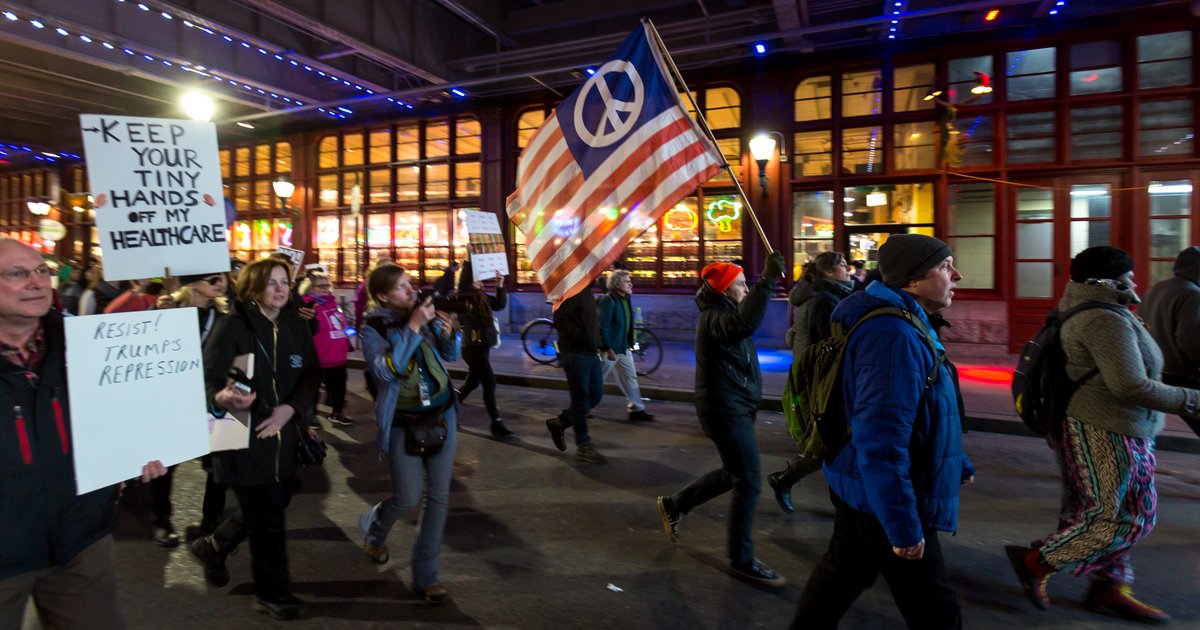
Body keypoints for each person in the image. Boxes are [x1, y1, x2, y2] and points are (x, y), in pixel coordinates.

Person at [1004, 246, 1199, 625]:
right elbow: (1130, 386)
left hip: (1122, 427)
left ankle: (1109, 587)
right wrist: (1193, 400)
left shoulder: (1104, 308)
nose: (1136, 282)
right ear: (1111, 280)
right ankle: (1036, 561)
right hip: (1104, 429)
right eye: (1129, 275)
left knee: (1113, 511)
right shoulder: (1102, 319)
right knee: (1125, 519)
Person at [793, 234, 974, 629]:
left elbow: (924, 408)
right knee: (937, 612)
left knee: (841, 577)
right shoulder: (893, 334)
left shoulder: (910, 322)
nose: (957, 275)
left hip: (868, 486)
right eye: (944, 267)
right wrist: (903, 525)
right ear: (913, 279)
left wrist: (957, 460)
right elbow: (881, 436)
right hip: (890, 492)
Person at [0, 238, 165, 629]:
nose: (37, 282)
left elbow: (124, 413)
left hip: (80, 540)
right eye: (18, 274)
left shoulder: (88, 344)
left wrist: (135, 453)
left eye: (41, 271)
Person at [190, 258, 320, 621]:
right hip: (240, 435)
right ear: (253, 288)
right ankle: (271, 593)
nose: (281, 289)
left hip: (283, 434)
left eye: (284, 282)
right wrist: (220, 398)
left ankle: (213, 545)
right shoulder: (232, 325)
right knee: (268, 518)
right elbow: (207, 381)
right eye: (271, 283)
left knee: (273, 503)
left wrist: (290, 410)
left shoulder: (295, 324)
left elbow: (311, 375)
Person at [656, 252, 788, 587]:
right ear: (724, 290)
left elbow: (743, 322)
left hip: (736, 407)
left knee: (733, 473)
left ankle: (675, 504)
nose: (746, 289)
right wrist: (767, 281)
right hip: (724, 410)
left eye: (746, 284)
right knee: (749, 482)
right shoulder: (714, 317)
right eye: (741, 284)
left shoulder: (725, 312)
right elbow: (744, 323)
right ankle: (741, 560)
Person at [358, 264, 460, 605]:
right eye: (401, 287)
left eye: (410, 284)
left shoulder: (420, 314)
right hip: (404, 421)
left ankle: (426, 576)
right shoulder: (373, 328)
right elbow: (385, 371)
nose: (411, 290)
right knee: (407, 497)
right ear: (383, 296)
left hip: (442, 413)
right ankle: (374, 529)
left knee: (439, 497)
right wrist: (413, 327)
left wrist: (448, 332)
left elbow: (451, 356)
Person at [143, 271, 230, 548]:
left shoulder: (225, 316)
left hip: (213, 397)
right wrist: (157, 313)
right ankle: (161, 520)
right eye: (213, 279)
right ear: (192, 282)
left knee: (218, 464)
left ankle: (211, 522)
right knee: (166, 462)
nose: (221, 283)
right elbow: (144, 344)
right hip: (175, 397)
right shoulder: (168, 309)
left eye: (223, 278)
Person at [771, 251, 854, 514]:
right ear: (828, 272)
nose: (848, 269)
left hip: (827, 376)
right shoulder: (825, 299)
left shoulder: (833, 294)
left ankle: (789, 481)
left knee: (835, 442)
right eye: (843, 265)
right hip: (826, 379)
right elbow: (828, 341)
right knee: (833, 442)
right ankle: (842, 506)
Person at [441, 261, 514, 437]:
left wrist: (500, 285)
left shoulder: (480, 296)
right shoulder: (463, 298)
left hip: (483, 345)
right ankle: (496, 423)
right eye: (476, 279)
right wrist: (469, 260)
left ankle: (446, 409)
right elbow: (464, 282)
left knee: (472, 383)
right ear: (467, 281)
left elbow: (499, 304)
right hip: (472, 347)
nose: (481, 282)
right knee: (490, 382)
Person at [1140, 245, 1200, 436]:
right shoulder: (1193, 294)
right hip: (1183, 374)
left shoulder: (1156, 288)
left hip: (1157, 371)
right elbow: (1190, 341)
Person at [545, 282, 608, 463]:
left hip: (591, 352)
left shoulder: (587, 290)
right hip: (575, 353)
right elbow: (559, 319)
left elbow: (590, 322)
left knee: (595, 395)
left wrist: (599, 344)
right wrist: (583, 337)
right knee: (581, 399)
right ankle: (583, 446)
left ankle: (561, 423)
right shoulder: (571, 290)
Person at [598, 269, 654, 422]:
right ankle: (583, 408)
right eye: (626, 281)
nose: (631, 284)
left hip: (623, 347)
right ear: (617, 284)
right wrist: (607, 348)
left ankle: (636, 409)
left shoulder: (625, 299)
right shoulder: (607, 301)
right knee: (597, 379)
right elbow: (603, 326)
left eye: (630, 281)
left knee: (630, 378)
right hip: (610, 349)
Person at [300, 271, 353, 427]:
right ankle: (311, 416)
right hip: (319, 355)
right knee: (313, 388)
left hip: (338, 355)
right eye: (321, 285)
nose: (325, 289)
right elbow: (306, 329)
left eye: (327, 285)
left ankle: (337, 413)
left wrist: (350, 335)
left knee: (339, 386)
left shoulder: (334, 304)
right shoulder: (308, 305)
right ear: (311, 287)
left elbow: (343, 324)